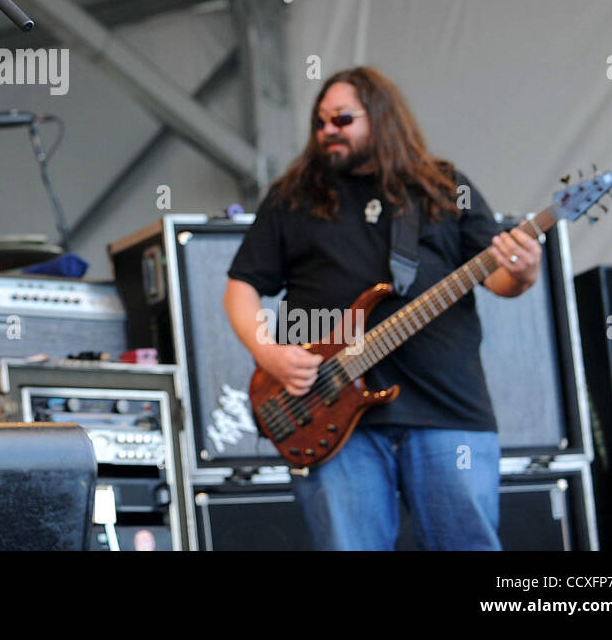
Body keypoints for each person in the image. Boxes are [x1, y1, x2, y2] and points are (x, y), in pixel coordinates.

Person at [222, 66, 541, 551]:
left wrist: (523, 271)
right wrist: (270, 354)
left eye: (343, 119)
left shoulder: (443, 185)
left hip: (447, 408)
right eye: (321, 121)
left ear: (382, 117)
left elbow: (498, 276)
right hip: (327, 416)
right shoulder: (292, 198)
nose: (328, 130)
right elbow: (240, 287)